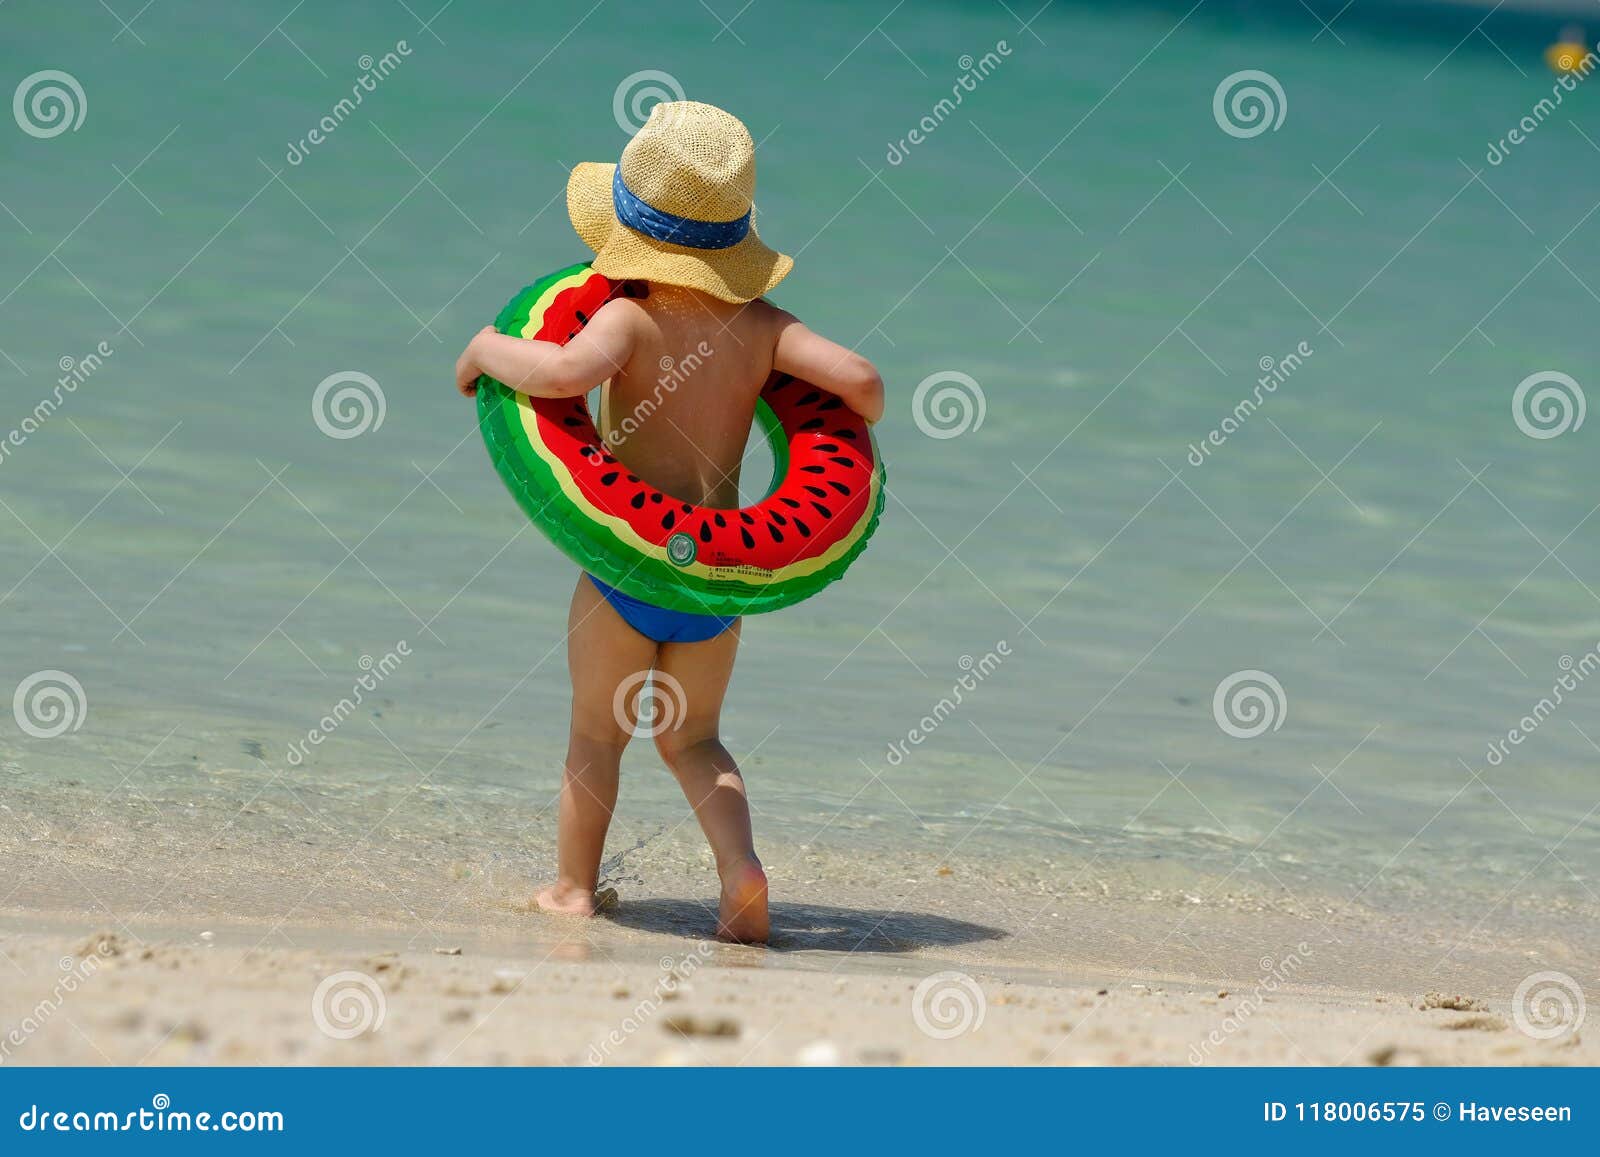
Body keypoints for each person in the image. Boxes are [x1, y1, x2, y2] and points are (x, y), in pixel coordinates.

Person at [453, 101, 884, 942]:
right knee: (693, 740)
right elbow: (863, 382)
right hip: (717, 577)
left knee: (595, 734)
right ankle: (741, 871)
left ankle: (573, 889)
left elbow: (561, 372)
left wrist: (479, 352)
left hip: (625, 570)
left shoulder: (627, 316)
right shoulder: (764, 328)